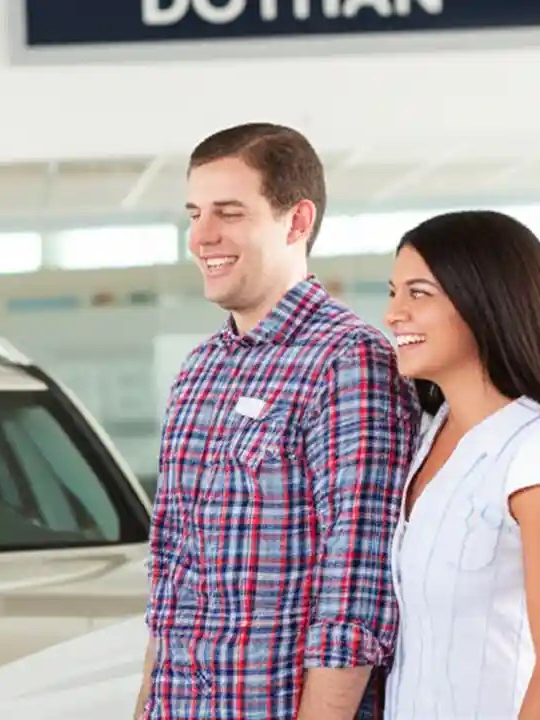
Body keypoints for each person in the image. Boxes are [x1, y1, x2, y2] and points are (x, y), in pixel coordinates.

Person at [135, 123, 420, 720]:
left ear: (297, 222)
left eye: (230, 213)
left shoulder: (349, 362)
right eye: (194, 213)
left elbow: (356, 586)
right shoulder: (199, 370)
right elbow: (171, 582)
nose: (202, 237)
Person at [383, 210, 540, 719]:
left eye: (418, 294)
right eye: (394, 292)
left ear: (486, 302)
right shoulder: (428, 435)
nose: (394, 313)